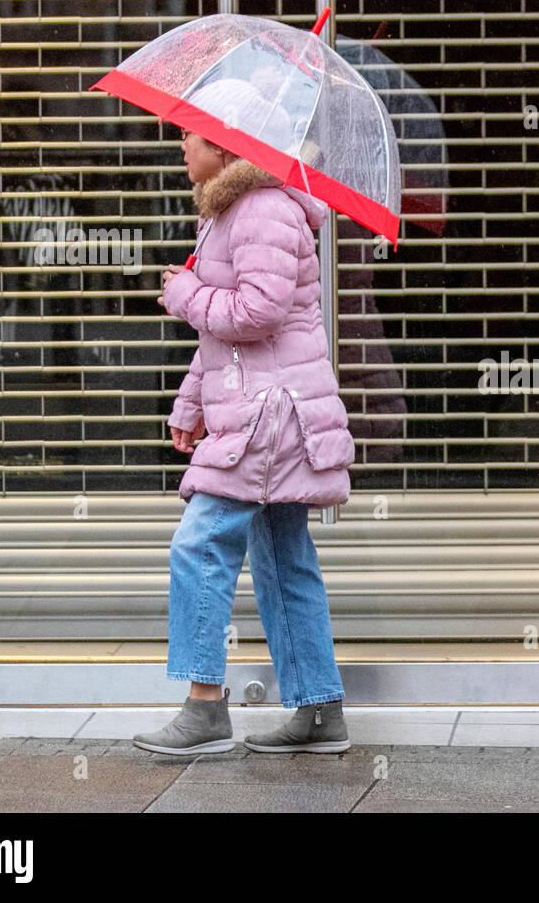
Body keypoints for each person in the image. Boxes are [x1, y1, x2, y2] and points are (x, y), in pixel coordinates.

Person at [132, 79, 355, 756]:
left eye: (191, 134)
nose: (181, 144)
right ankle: (319, 711)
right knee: (283, 557)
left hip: (269, 416)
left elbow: (254, 315)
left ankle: (204, 708)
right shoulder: (230, 213)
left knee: (199, 546)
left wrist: (183, 292)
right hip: (267, 411)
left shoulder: (261, 211)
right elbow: (222, 341)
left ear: (225, 145)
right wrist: (191, 405)